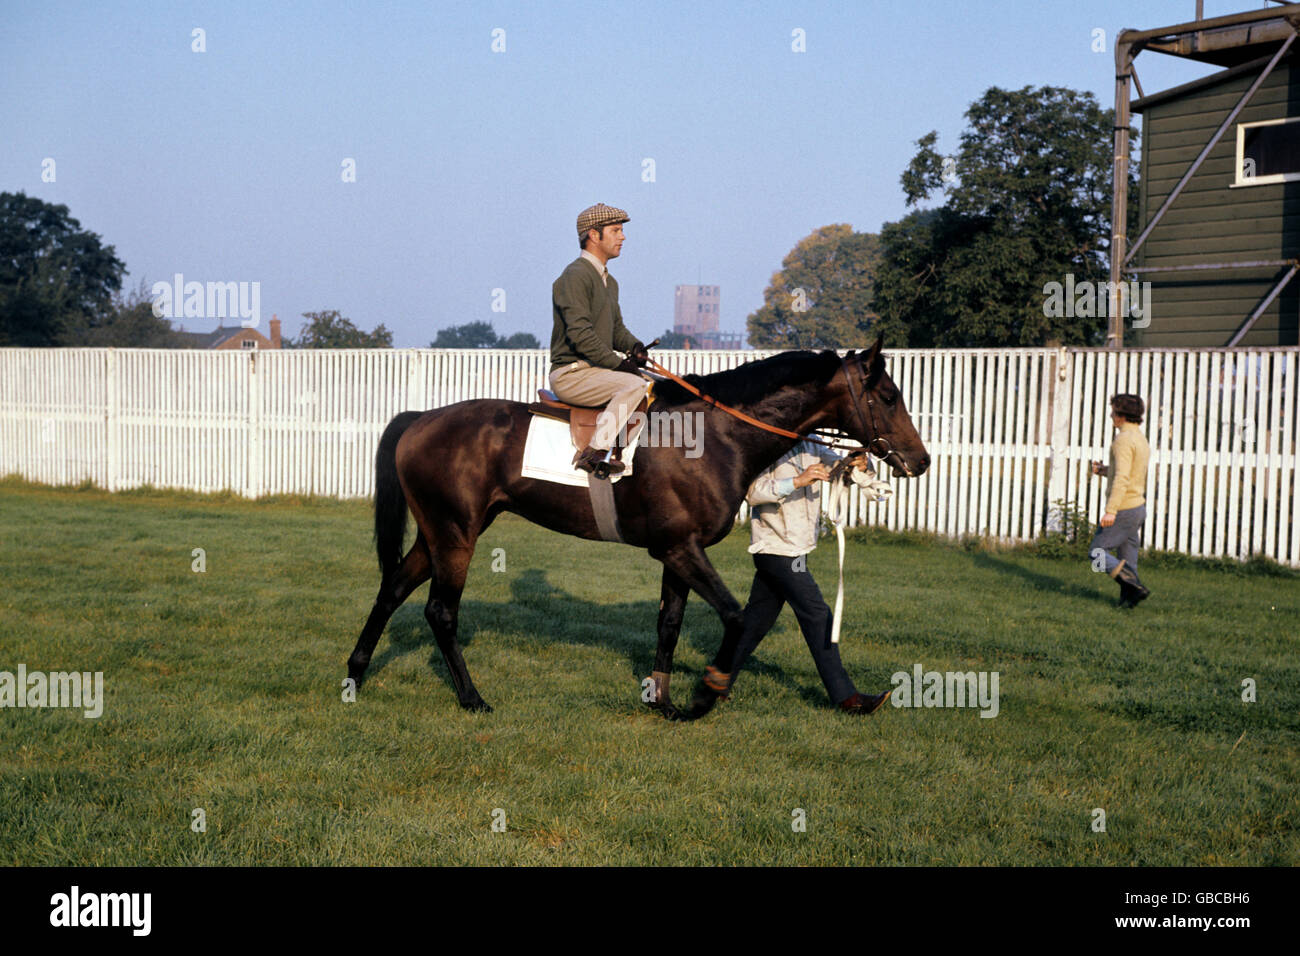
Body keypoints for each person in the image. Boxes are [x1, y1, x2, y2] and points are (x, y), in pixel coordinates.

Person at [725, 440, 894, 714]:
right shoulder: (765, 444)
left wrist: (858, 463)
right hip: (776, 551)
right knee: (817, 614)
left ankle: (716, 680)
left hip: (795, 549)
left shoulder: (810, 443)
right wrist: (798, 480)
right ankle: (847, 698)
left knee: (756, 621)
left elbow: (840, 471)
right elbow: (752, 492)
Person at [549, 203, 650, 476]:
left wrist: (635, 347)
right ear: (594, 235)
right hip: (572, 374)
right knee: (632, 385)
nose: (623, 237)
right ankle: (593, 453)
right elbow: (580, 336)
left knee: (652, 385)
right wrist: (620, 366)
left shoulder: (609, 281)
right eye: (615, 230)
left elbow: (616, 330)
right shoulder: (576, 275)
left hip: (595, 372)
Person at [1089, 394, 1151, 608]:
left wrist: (1111, 510)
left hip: (1123, 509)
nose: (1111, 415)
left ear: (1122, 415)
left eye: (1114, 411)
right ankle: (1129, 599)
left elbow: (1123, 479)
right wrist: (1104, 471)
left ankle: (1134, 586)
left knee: (1096, 554)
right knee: (1128, 559)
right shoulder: (1140, 438)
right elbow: (1128, 473)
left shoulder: (1122, 441)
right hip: (1137, 508)